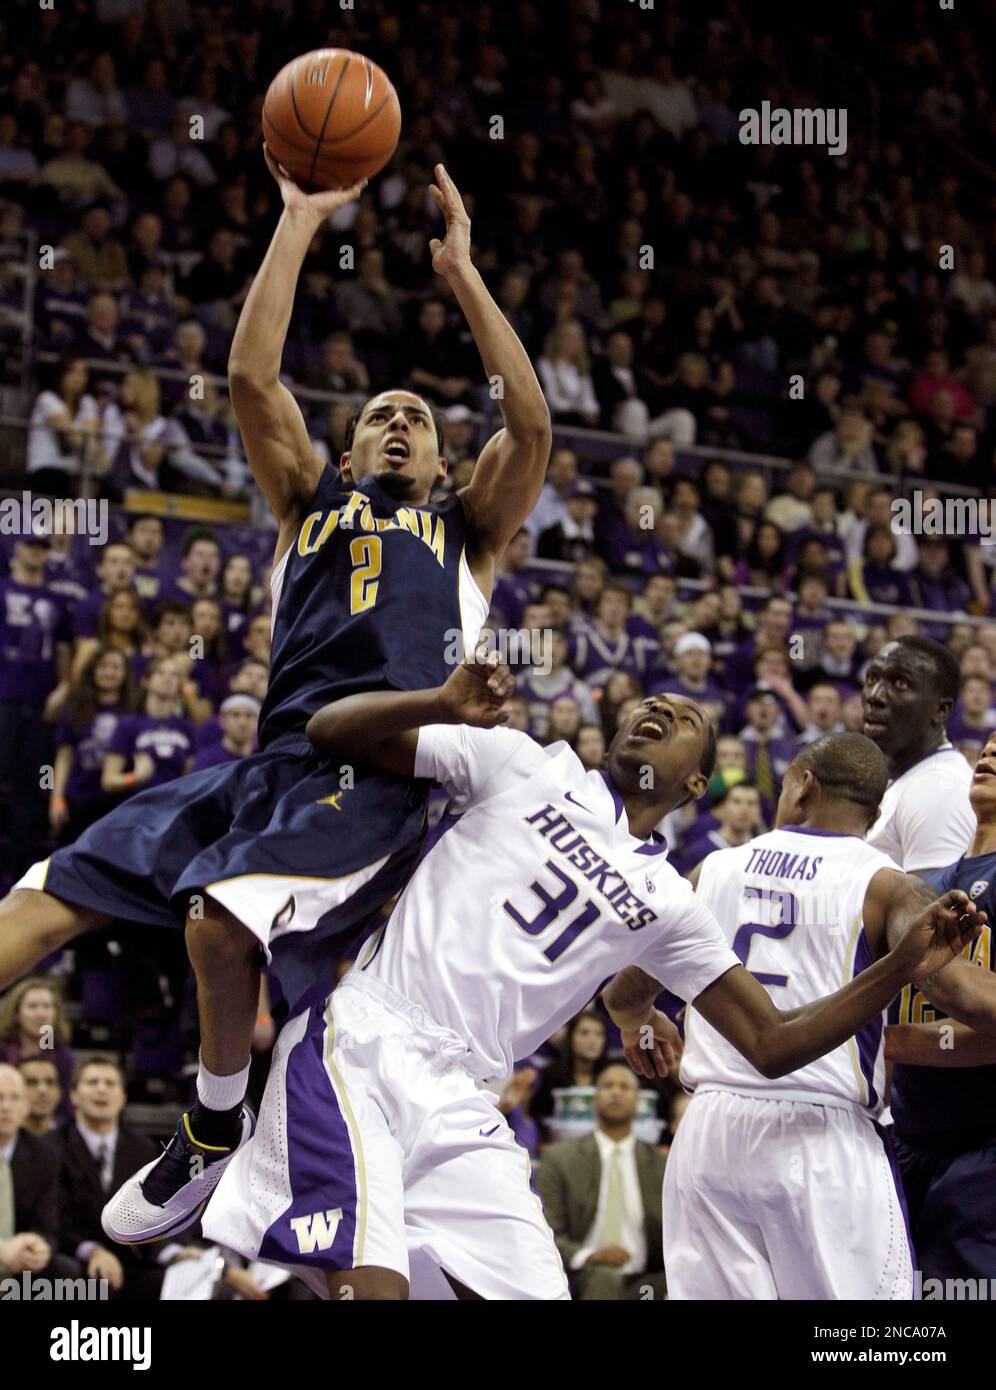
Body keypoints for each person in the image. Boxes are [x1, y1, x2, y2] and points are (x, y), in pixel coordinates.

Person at [7, 155, 550, 1244]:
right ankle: (214, 1119)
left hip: (376, 780)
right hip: (268, 765)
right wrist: (301, 218)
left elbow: (529, 429)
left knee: (218, 917)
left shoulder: (466, 533)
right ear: (346, 448)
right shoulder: (310, 500)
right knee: (39, 899)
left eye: (419, 421)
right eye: (380, 416)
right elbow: (253, 378)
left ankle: (213, 1125)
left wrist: (465, 273)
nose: (399, 425)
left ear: (445, 464)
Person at [193, 654, 980, 1300]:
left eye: (686, 721)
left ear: (696, 785)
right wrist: (439, 699)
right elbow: (329, 730)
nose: (661, 711)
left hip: (466, 1093)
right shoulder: (516, 761)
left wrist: (902, 966)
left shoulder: (675, 898)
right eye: (654, 702)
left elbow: (770, 1041)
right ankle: (205, 1135)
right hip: (364, 1038)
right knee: (373, 1287)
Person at [612, 733, 986, 1300]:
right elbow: (965, 996)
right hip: (822, 1136)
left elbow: (624, 992)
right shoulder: (886, 885)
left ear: (802, 782)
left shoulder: (712, 870)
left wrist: (641, 1022)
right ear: (876, 813)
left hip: (709, 1134)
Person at [886, 730, 996, 1282]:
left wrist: (898, 1044)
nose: (991, 753)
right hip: (907, 1139)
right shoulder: (927, 887)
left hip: (982, 1149)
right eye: (989, 746)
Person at [51, 1057, 186, 1299]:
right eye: (92, 1082)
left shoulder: (142, 1148)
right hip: (76, 1260)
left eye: (110, 1083)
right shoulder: (53, 1146)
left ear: (122, 1098)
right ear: (73, 1095)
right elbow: (54, 1218)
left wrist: (174, 1253)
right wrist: (92, 1251)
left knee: (179, 1280)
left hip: (131, 1263)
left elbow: (153, 1213)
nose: (101, 1089)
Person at [536, 1062, 669, 1300]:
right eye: (608, 1086)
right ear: (594, 1098)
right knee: (604, 1279)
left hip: (644, 1283)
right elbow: (545, 1231)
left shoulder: (661, 1164)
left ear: (638, 1101)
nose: (616, 1092)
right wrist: (590, 1256)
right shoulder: (560, 1158)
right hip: (582, 1276)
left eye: (624, 1087)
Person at [862, 635, 975, 872]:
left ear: (941, 709)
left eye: (900, 683)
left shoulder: (939, 789)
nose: (874, 695)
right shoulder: (907, 779)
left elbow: (934, 908)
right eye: (872, 678)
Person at [17, 1057, 62, 1137]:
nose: (42, 1090)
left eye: (50, 1082)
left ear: (59, 1092)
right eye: (31, 1083)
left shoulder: (70, 1139)